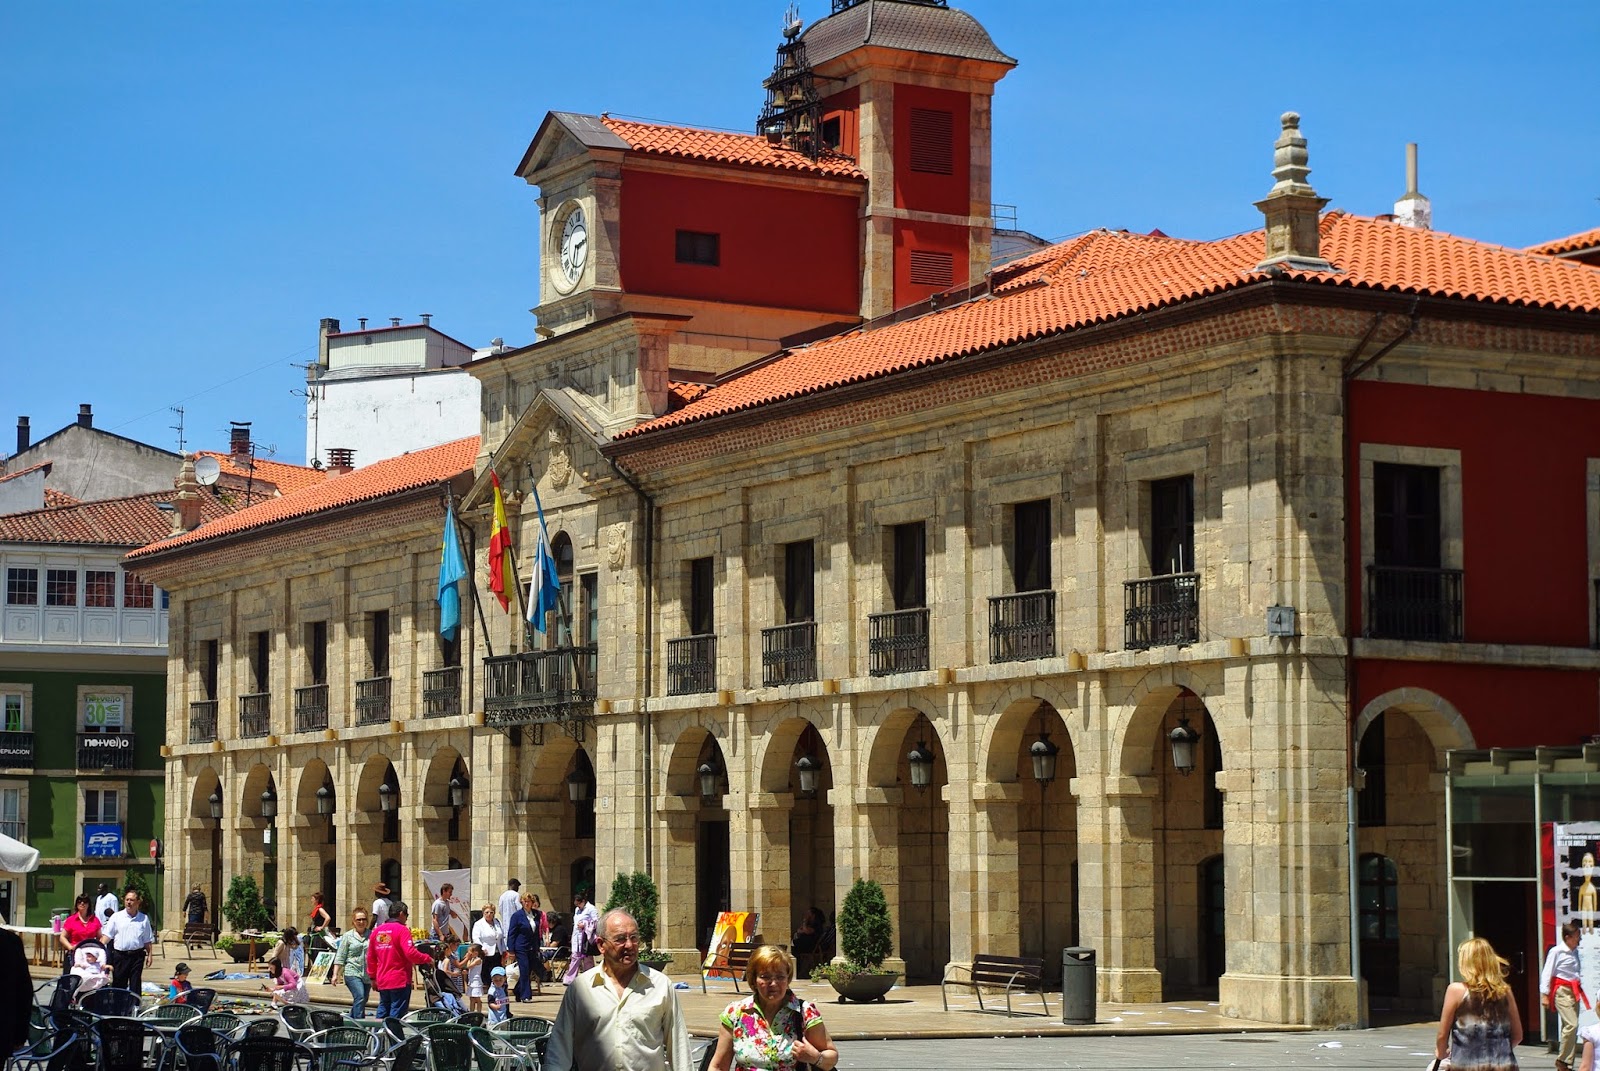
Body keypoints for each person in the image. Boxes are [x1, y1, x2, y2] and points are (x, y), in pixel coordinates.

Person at [543, 909, 692, 1071]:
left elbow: (679, 1047)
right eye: (620, 939)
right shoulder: (581, 989)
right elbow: (559, 1048)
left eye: (634, 938)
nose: (629, 945)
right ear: (601, 945)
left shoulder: (660, 985)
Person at [708, 944, 837, 1071]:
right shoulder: (736, 1012)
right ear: (754, 979)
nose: (773, 983)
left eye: (780, 977)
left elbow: (831, 1056)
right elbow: (718, 1066)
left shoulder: (805, 1012)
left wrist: (815, 1057)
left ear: (788, 979)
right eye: (765, 977)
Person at [1435, 936, 1523, 1071]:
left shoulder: (1456, 990)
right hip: (1504, 1064)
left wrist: (1441, 1052)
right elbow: (1518, 1035)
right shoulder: (1505, 992)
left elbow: (1442, 1035)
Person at [366, 901, 432, 1019]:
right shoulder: (402, 930)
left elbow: (370, 957)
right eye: (407, 915)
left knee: (383, 1010)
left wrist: (372, 977)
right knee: (396, 1016)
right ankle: (393, 1036)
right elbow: (410, 952)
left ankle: (377, 1036)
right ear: (401, 914)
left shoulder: (377, 931)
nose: (406, 918)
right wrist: (427, 959)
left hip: (382, 979)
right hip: (399, 979)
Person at [1542, 922, 1587, 1071]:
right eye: (1576, 936)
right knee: (1571, 1024)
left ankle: (1566, 1063)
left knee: (1570, 1027)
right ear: (1567, 937)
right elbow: (1547, 972)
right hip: (1562, 991)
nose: (1579, 939)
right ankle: (1562, 1060)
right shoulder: (1556, 951)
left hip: (1574, 991)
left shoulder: (1575, 952)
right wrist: (1545, 994)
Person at [103, 888, 155, 992]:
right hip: (119, 956)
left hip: (137, 956)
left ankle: (135, 1006)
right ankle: (119, 1007)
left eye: (131, 900)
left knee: (135, 984)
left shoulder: (143, 919)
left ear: (138, 902)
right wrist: (97, 948)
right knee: (119, 984)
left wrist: (150, 955)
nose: (129, 902)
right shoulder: (116, 917)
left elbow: (147, 940)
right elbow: (107, 936)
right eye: (127, 900)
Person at [330, 908, 372, 1018]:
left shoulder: (372, 935)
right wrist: (335, 974)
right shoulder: (348, 936)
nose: (361, 922)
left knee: (363, 999)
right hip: (352, 971)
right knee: (360, 996)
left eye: (364, 919)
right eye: (358, 920)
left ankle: (350, 1021)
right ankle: (359, 1025)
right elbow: (340, 956)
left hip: (367, 974)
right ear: (353, 921)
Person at [0, 927, 29, 1056]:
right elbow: (25, 991)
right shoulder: (11, 941)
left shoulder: (12, 941)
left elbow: (24, 990)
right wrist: (20, 1034)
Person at [507, 894, 539, 1002]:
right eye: (524, 901)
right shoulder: (517, 916)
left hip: (532, 947)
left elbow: (536, 931)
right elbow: (511, 933)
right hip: (520, 947)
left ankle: (518, 989)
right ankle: (526, 995)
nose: (527, 903)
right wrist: (511, 950)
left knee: (529, 970)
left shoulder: (536, 914)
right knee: (524, 970)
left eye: (529, 901)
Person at [564, 892, 599, 985]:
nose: (578, 906)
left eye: (579, 904)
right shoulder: (577, 910)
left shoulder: (591, 909)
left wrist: (585, 925)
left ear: (583, 901)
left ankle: (589, 978)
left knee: (587, 959)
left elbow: (596, 922)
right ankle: (570, 979)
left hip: (585, 937)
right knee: (575, 956)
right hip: (576, 936)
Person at [59, 895, 101, 962]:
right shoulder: (71, 920)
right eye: (79, 901)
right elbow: (62, 937)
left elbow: (100, 937)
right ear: (76, 904)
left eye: (85, 901)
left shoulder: (95, 920)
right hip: (75, 953)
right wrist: (70, 947)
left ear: (89, 905)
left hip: (91, 955)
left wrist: (98, 948)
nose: (82, 903)